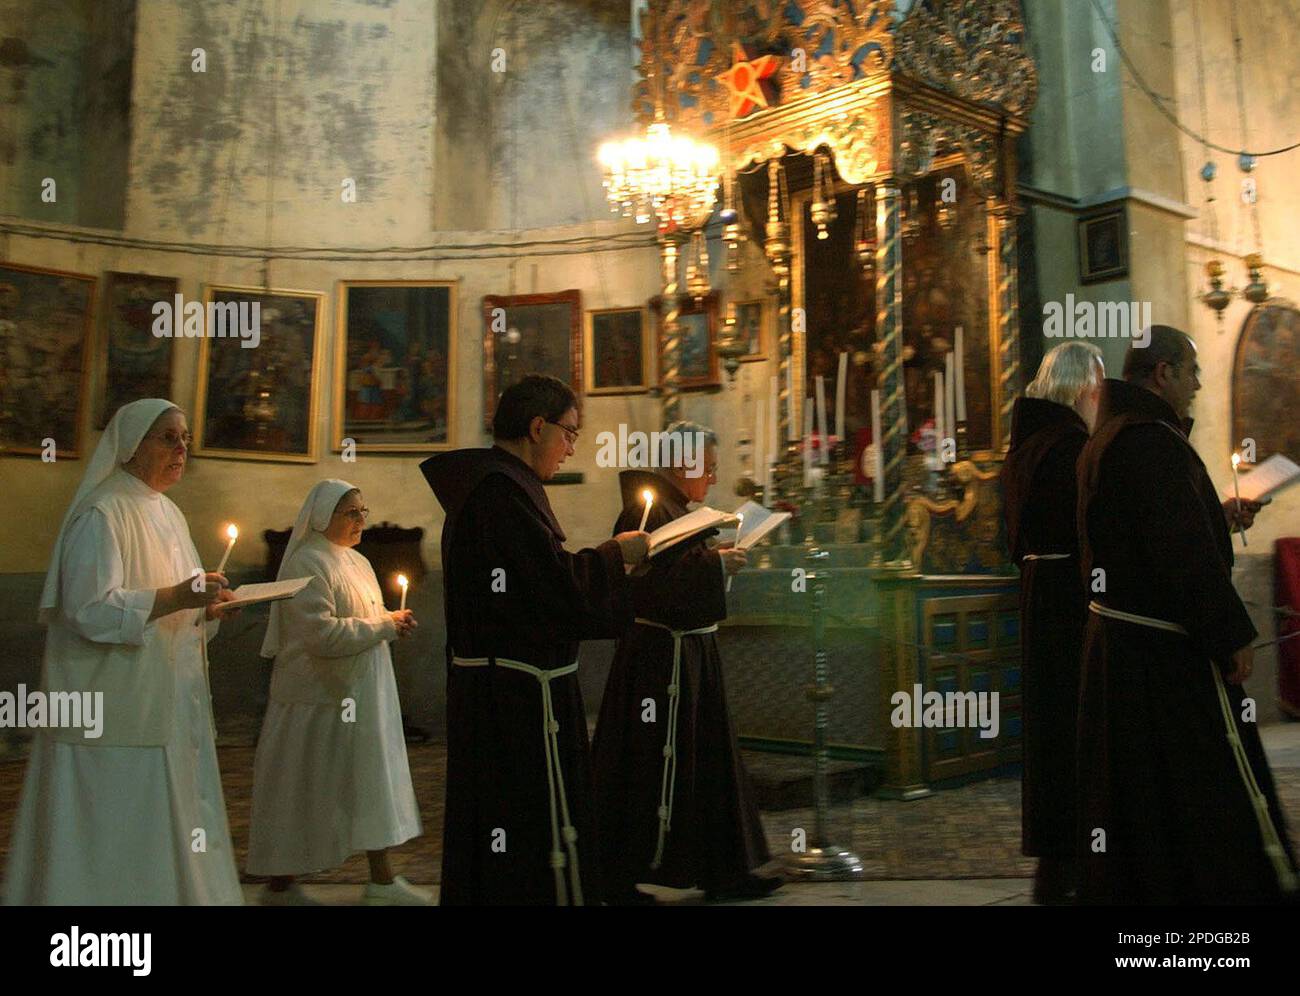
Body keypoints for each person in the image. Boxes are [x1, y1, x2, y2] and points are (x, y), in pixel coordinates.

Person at [1075, 325, 1298, 904]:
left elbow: (1146, 539)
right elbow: (1181, 556)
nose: (1198, 385)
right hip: (1163, 659)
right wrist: (1232, 634)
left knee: (1144, 800)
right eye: (1192, 371)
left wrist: (1216, 514)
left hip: (1124, 649)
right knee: (1203, 792)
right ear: (1164, 372)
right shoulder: (1151, 442)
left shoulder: (1111, 437)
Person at [2, 399, 243, 905]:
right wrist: (180, 597)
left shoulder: (168, 512)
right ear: (132, 445)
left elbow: (176, 607)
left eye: (185, 439)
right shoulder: (102, 512)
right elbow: (88, 609)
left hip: (165, 704)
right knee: (114, 833)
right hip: (113, 709)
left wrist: (205, 611)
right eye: (168, 438)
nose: (181, 449)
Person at [421, 374, 648, 905]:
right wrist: (618, 555)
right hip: (517, 701)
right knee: (525, 828)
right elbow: (553, 591)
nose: (572, 447)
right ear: (537, 426)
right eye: (569, 433)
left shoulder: (496, 486)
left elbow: (535, 585)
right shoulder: (500, 494)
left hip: (505, 693)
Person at [592, 422, 778, 904]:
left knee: (709, 762)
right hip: (659, 662)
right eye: (709, 468)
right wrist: (716, 565)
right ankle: (622, 875)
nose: (712, 480)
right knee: (649, 764)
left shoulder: (678, 509)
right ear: (683, 462)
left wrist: (715, 559)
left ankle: (725, 869)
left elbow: (674, 571)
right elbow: (647, 585)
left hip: (690, 653)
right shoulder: (646, 508)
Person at [246, 480, 427, 905]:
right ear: (324, 516)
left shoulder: (358, 562)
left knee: (369, 785)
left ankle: (382, 881)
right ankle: (280, 887)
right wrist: (383, 626)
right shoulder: (306, 563)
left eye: (364, 511)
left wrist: (390, 618)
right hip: (316, 702)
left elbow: (363, 615)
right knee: (301, 791)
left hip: (360, 694)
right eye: (352, 513)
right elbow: (320, 636)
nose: (361, 519)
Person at [1000, 342, 1103, 905]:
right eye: (1098, 389)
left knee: (1050, 733)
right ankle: (1080, 863)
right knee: (1076, 730)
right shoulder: (1072, 448)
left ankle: (1054, 864)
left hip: (1041, 594)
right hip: (1071, 598)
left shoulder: (1027, 446)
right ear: (1084, 389)